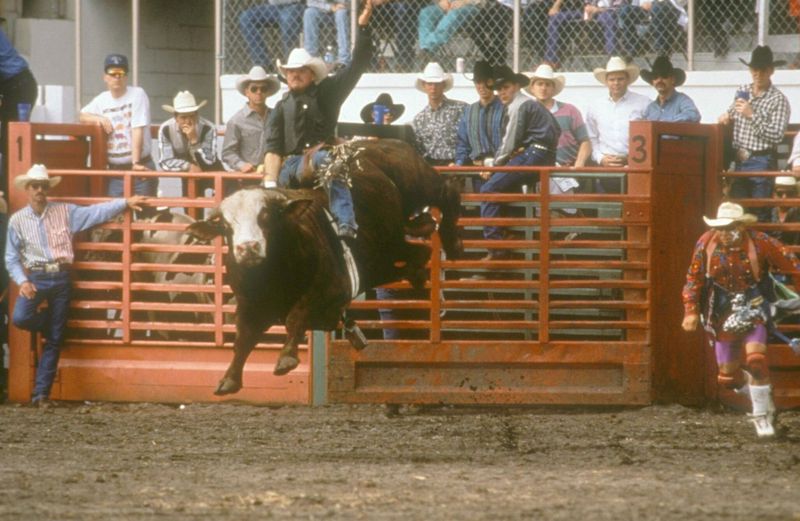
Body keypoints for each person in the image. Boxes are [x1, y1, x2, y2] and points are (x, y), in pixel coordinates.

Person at [5, 164, 146, 408]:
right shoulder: (17, 221)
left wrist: (124, 202)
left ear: (48, 189)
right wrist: (23, 280)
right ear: (28, 189)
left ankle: (41, 395)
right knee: (20, 318)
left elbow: (95, 212)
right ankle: (53, 325)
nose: (40, 190)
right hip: (36, 278)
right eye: (35, 186)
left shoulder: (65, 212)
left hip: (61, 276)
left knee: (53, 341)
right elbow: (11, 256)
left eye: (43, 186)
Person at [681, 201, 800, 438]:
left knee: (756, 360)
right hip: (721, 310)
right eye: (720, 227)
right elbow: (693, 278)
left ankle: (762, 416)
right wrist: (691, 310)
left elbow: (793, 266)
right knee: (727, 376)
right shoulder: (706, 243)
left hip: (755, 305)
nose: (724, 233)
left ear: (742, 226)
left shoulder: (761, 242)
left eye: (729, 227)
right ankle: (763, 399)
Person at [263, 0, 375, 239]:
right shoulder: (280, 107)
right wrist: (270, 183)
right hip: (290, 165)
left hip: (318, 157)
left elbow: (356, 66)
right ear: (286, 75)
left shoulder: (328, 92)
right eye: (290, 71)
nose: (294, 75)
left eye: (300, 70)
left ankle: (346, 223)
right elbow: (272, 149)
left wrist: (363, 28)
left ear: (311, 74)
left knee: (328, 162)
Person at [480, 64, 560, 259]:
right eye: (498, 89)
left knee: (488, 189)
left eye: (505, 87)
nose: (501, 93)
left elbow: (509, 141)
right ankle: (509, 234)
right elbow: (556, 129)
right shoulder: (532, 105)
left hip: (534, 154)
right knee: (505, 185)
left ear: (516, 86)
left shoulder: (519, 105)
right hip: (542, 154)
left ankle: (496, 247)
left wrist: (493, 166)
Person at [718, 46, 790, 223]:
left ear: (771, 71)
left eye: (762, 69)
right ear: (750, 70)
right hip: (739, 159)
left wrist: (752, 116)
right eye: (754, 69)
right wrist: (725, 116)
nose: (757, 74)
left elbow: (776, 135)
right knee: (736, 211)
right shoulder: (743, 90)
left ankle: (760, 248)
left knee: (761, 212)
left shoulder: (778, 100)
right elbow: (732, 112)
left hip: (761, 160)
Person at [79, 54, 156, 197]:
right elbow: (81, 115)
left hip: (141, 167)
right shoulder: (101, 99)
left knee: (146, 216)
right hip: (115, 171)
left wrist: (136, 162)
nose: (117, 78)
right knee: (116, 215)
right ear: (105, 77)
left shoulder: (137, 94)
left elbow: (137, 129)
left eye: (121, 74)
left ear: (126, 76)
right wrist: (98, 118)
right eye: (113, 74)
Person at [527, 63, 590, 213]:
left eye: (548, 84)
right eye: (540, 84)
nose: (543, 88)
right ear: (533, 87)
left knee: (563, 211)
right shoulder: (527, 113)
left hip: (567, 170)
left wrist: (578, 165)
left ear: (553, 88)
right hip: (537, 172)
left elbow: (585, 141)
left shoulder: (570, 110)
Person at [585, 56, 649, 169]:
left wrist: (632, 157)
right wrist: (600, 158)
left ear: (627, 80)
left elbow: (649, 136)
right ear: (606, 81)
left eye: (620, 79)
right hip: (606, 164)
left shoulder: (644, 103)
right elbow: (592, 138)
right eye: (612, 79)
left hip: (635, 163)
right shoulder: (595, 106)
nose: (616, 83)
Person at [157, 90, 221, 198]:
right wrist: (188, 166)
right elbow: (165, 161)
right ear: (176, 117)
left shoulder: (208, 128)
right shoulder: (166, 129)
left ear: (197, 115)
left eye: (191, 116)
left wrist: (194, 140)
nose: (188, 121)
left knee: (225, 196)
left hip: (211, 169)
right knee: (191, 208)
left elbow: (209, 160)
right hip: (188, 171)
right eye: (183, 117)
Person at [222, 66, 281, 181]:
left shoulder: (276, 116)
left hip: (273, 174)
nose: (259, 92)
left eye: (263, 89)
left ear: (268, 92)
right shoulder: (236, 121)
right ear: (247, 92)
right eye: (254, 89)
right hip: (247, 176)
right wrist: (241, 165)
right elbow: (228, 152)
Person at [454, 60, 504, 193]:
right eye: (477, 82)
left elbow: (510, 142)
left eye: (485, 82)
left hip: (503, 171)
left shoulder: (505, 108)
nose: (481, 86)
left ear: (492, 82)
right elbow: (462, 143)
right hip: (477, 171)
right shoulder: (469, 111)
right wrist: (459, 164)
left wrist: (493, 165)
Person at [0, 28, 37, 191]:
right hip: (16, 85)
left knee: (11, 143)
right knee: (8, 143)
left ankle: (9, 194)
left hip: (17, 85)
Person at [412, 62, 468, 166]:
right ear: (424, 86)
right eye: (429, 84)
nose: (433, 88)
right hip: (431, 168)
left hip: (457, 165)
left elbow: (469, 139)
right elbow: (419, 148)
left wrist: (459, 163)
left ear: (443, 85)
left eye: (437, 84)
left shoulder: (461, 109)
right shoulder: (419, 119)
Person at [469, 0, 550, 66]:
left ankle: (499, 60)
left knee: (497, 25)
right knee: (473, 26)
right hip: (498, 6)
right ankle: (490, 55)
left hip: (520, 8)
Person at [238, 0, 305, 72]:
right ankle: (262, 63)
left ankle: (292, 64)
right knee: (245, 18)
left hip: (295, 5)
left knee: (286, 20)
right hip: (274, 7)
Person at [543, 0, 603, 70]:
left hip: (591, 10)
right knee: (550, 17)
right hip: (580, 11)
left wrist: (556, 5)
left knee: (555, 19)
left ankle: (551, 60)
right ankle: (550, 59)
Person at [417, 0, 480, 64]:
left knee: (453, 15)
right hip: (447, 6)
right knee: (426, 13)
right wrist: (442, 2)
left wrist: (464, 1)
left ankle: (428, 49)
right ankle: (425, 48)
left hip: (470, 6)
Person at [640, 56, 700, 123]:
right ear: (652, 82)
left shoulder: (682, 100)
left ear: (673, 80)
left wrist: (665, 121)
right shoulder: (651, 108)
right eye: (655, 77)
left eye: (664, 76)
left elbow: (693, 115)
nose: (659, 80)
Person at [618, 0, 687, 58]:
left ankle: (661, 51)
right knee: (625, 10)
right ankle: (635, 47)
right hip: (644, 9)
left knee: (657, 8)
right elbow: (635, 4)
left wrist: (654, 4)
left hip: (668, 9)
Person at [304, 0, 351, 68]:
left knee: (341, 14)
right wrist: (329, 7)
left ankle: (343, 60)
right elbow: (310, 2)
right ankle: (310, 58)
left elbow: (345, 2)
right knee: (309, 13)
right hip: (323, 10)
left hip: (342, 10)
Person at [769, 176, 800, 246]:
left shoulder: (798, 213)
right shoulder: (767, 213)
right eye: (780, 193)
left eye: (789, 193)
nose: (784, 197)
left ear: (795, 195)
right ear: (774, 195)